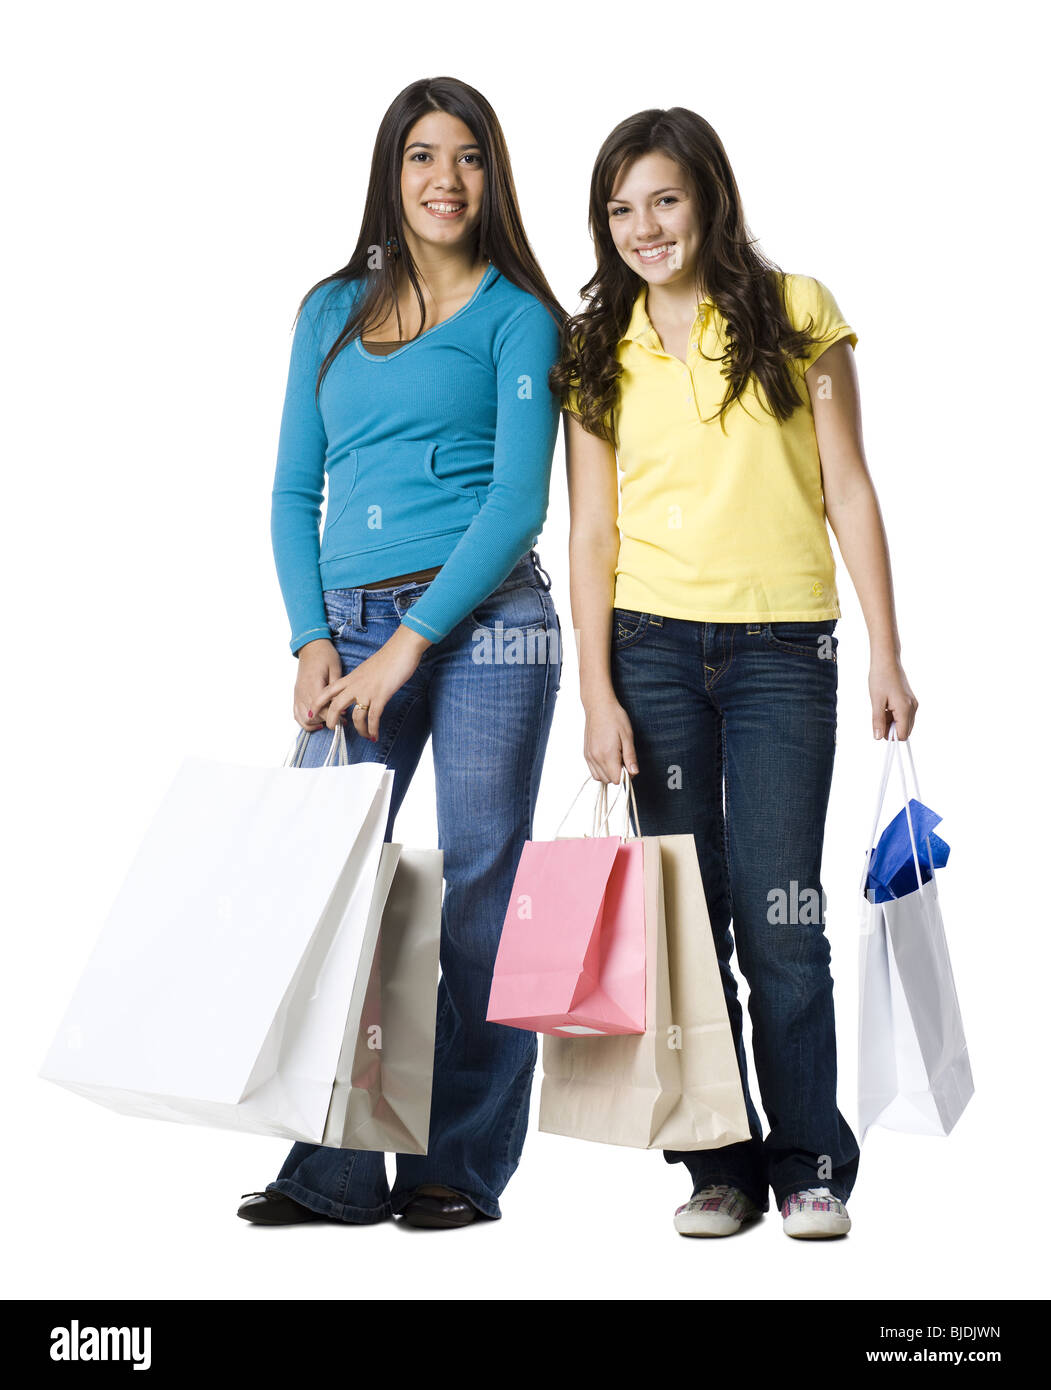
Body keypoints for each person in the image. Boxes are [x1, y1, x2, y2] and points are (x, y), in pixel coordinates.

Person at [552, 107, 918, 1240]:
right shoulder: (591, 346)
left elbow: (846, 485)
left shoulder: (796, 311)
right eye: (620, 209)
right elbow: (592, 535)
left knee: (781, 916)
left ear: (706, 194)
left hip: (782, 653)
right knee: (686, 916)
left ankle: (809, 1159)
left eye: (662, 198)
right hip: (650, 651)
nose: (644, 227)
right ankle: (715, 1160)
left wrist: (889, 650)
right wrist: (596, 690)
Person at [239, 76, 563, 1230]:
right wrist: (313, 640)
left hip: (489, 628)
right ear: (391, 171)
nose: (445, 179)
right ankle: (329, 1166)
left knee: (481, 886)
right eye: (423, 155)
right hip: (352, 628)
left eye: (468, 157)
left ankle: (456, 1169)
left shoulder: (520, 316)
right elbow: (291, 490)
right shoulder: (327, 310)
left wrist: (407, 647)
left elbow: (518, 501)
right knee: (325, 886)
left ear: (492, 176)